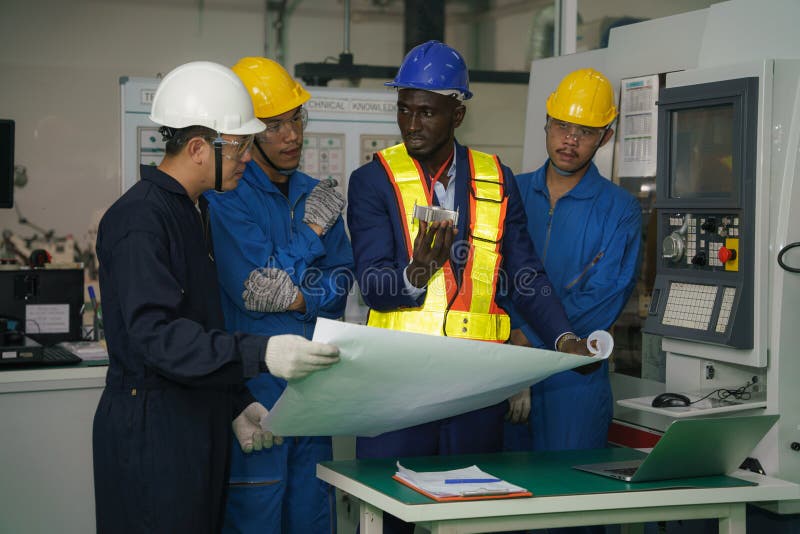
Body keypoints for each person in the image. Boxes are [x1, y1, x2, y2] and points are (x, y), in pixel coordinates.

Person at [346, 41, 594, 534]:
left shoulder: (496, 179)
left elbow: (524, 274)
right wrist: (417, 271)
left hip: (474, 396)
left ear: (457, 113)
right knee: (389, 520)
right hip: (396, 393)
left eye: (427, 112)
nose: (411, 124)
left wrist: (564, 337)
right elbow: (374, 285)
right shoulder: (372, 182)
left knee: (470, 523)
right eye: (404, 109)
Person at [92, 61, 341, 534]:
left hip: (193, 419)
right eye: (243, 144)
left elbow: (204, 323)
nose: (250, 158)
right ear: (199, 149)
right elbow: (159, 337)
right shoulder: (141, 220)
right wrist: (262, 351)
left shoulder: (193, 211)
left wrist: (235, 402)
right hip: (153, 432)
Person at [204, 57, 354, 534]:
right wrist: (311, 230)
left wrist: (301, 297)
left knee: (314, 515)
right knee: (257, 517)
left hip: (315, 388)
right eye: (273, 125)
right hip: (257, 391)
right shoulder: (224, 196)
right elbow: (254, 292)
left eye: (296, 120)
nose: (291, 135)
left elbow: (343, 277)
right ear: (247, 133)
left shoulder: (316, 190)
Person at [503, 68, 641, 455]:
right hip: (500, 370)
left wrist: (524, 343)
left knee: (573, 504)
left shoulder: (619, 209)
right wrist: (508, 352)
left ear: (605, 137)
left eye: (586, 131)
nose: (570, 139)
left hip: (573, 379)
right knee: (493, 500)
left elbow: (603, 297)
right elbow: (485, 276)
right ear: (546, 123)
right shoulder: (507, 190)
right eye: (562, 125)